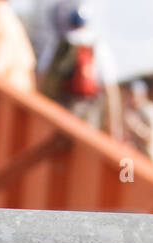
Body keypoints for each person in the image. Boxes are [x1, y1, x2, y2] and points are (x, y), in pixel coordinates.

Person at [38, 4, 123, 141]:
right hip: (87, 113)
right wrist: (114, 127)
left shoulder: (58, 44)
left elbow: (41, 79)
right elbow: (110, 89)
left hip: (58, 109)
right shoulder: (98, 47)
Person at [124, 80, 153, 168]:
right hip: (144, 159)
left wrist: (135, 125)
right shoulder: (134, 110)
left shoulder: (151, 110)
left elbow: (151, 137)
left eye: (133, 94)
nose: (131, 97)